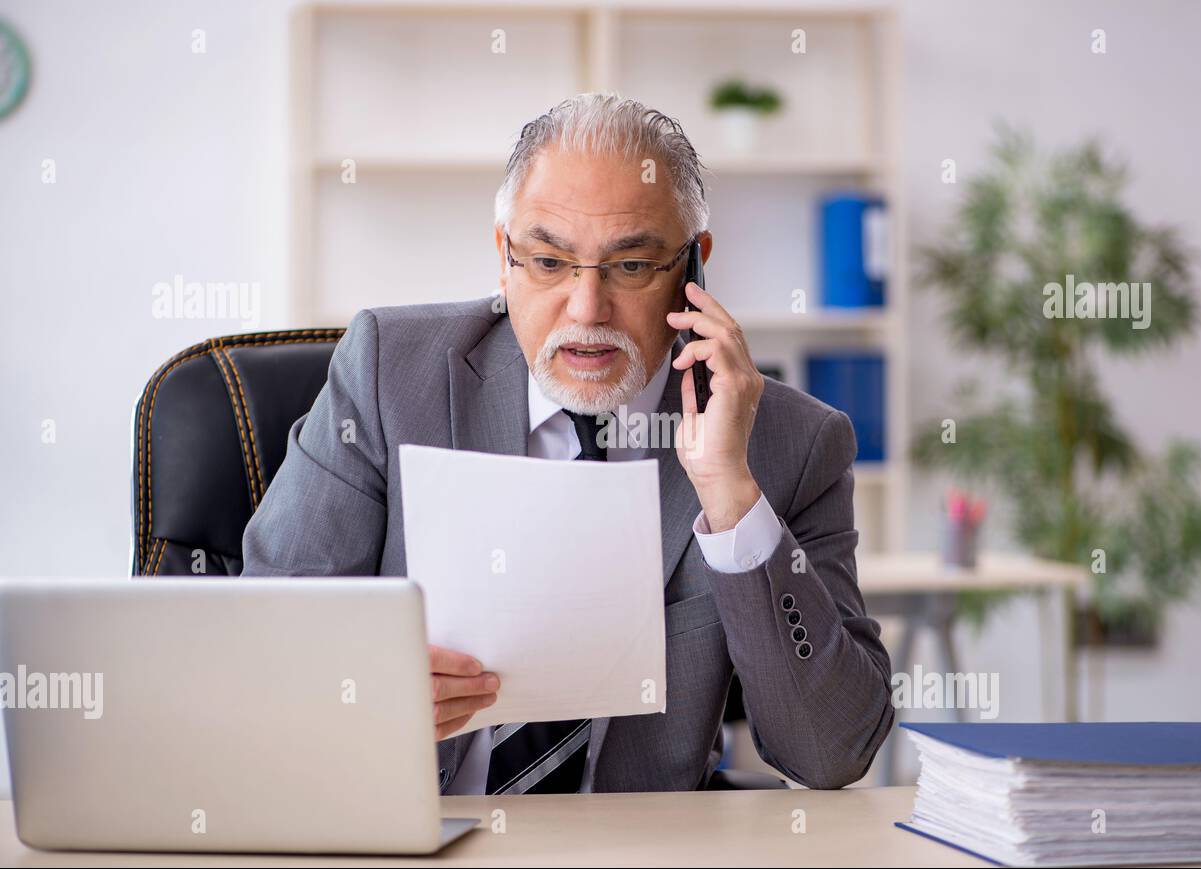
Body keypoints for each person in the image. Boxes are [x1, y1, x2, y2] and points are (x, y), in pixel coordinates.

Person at [242, 92, 894, 794]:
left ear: (694, 268)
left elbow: (831, 751)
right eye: (549, 262)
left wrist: (732, 495)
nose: (586, 311)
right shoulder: (387, 374)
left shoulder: (794, 443)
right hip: (416, 831)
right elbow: (263, 647)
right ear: (504, 257)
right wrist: (356, 685)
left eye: (632, 267)